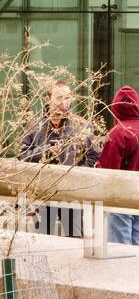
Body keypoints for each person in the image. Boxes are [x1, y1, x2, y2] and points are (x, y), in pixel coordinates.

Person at [19, 81, 99, 237]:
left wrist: (79, 171)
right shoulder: (34, 125)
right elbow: (23, 156)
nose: (64, 102)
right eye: (59, 98)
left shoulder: (80, 126)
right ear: (47, 99)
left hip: (71, 193)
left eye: (67, 97)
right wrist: (45, 151)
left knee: (74, 238)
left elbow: (94, 154)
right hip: (43, 192)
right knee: (43, 239)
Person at [96, 86, 139, 246]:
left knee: (120, 247)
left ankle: (126, 271)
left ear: (116, 108)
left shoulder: (117, 133)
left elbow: (106, 169)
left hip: (122, 196)